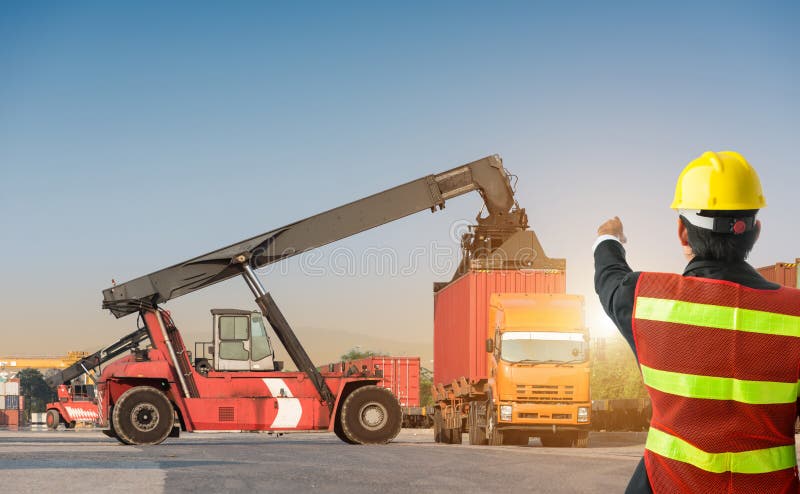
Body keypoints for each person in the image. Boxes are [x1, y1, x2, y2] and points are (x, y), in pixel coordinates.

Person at [593, 151, 800, 493]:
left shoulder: (647, 300)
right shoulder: (794, 315)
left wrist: (608, 237)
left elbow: (609, 278)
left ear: (682, 233)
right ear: (755, 231)